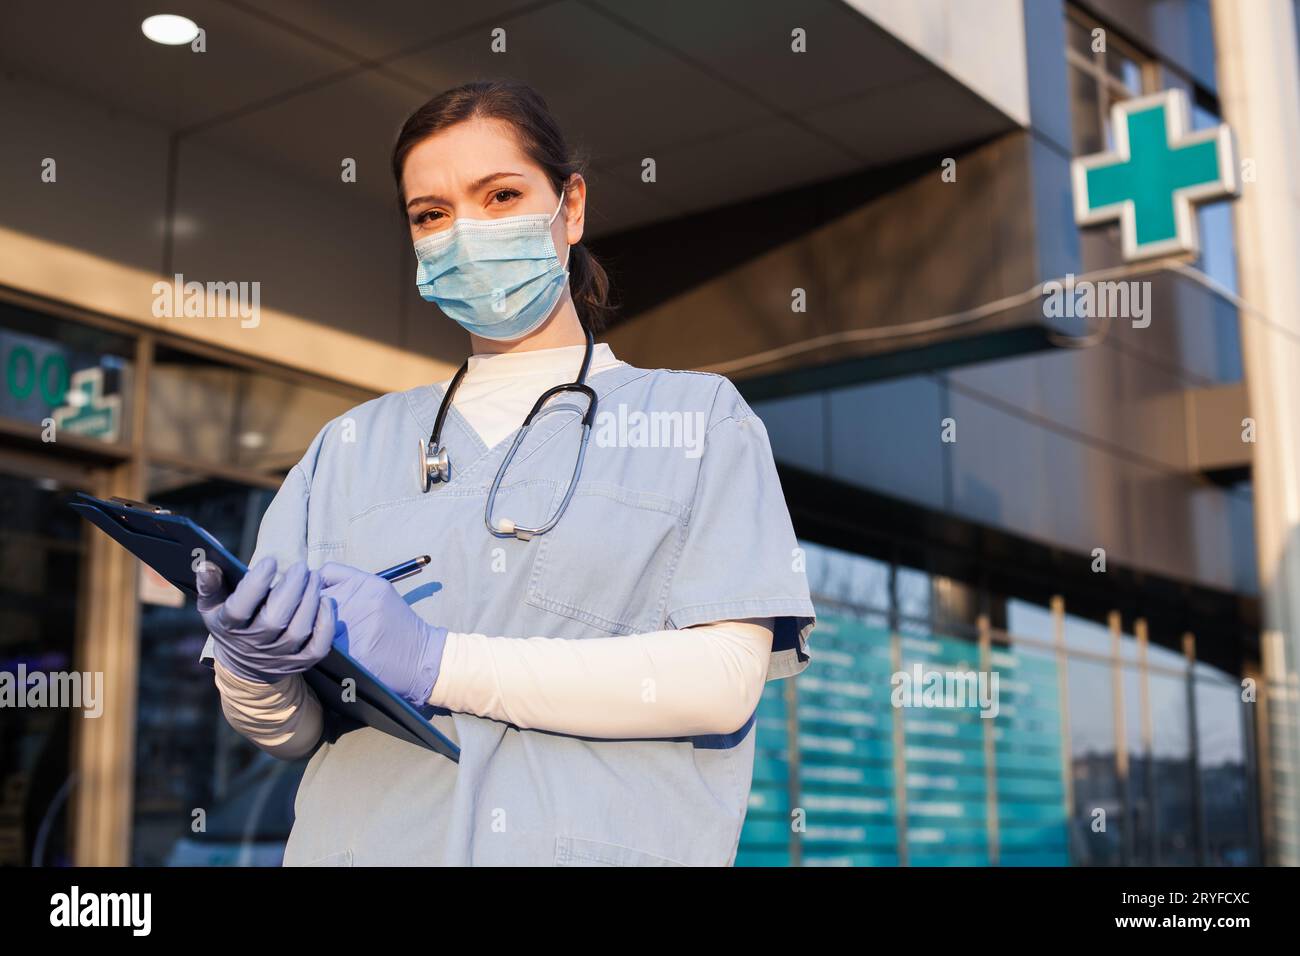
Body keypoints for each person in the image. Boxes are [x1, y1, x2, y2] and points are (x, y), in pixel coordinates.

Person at [194, 79, 814, 866]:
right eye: (432, 214)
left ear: (572, 207)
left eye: (500, 195)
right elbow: (296, 734)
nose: (466, 232)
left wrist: (436, 660)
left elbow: (722, 679)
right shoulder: (349, 446)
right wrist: (254, 672)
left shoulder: (698, 420)